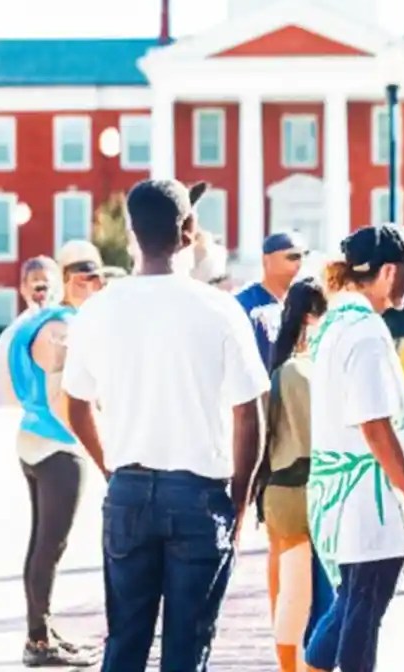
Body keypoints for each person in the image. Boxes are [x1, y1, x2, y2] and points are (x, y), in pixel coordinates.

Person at [61, 179, 269, 670]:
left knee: (125, 642)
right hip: (199, 494)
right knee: (187, 647)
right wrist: (238, 503)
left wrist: (111, 468)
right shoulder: (220, 308)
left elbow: (75, 406)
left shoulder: (97, 310)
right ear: (188, 232)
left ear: (131, 233)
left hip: (129, 489)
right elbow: (248, 413)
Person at [307, 223, 404, 672]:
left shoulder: (333, 324)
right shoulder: (365, 333)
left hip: (338, 494)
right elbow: (375, 424)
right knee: (361, 620)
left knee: (347, 609)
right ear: (388, 272)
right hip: (369, 501)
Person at [0, 243, 106, 667]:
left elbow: (13, 389)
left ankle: (41, 631)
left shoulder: (26, 326)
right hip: (60, 446)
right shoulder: (62, 326)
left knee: (41, 543)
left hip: (31, 437)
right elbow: (73, 392)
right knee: (50, 546)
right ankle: (39, 643)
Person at [255, 277, 334, 672]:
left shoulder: (279, 369)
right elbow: (320, 439)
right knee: (305, 592)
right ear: (310, 316)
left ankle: (290, 665)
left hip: (279, 490)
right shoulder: (304, 372)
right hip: (306, 488)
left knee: (293, 588)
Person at [236, 231, 308, 366]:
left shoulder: (305, 301)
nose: (299, 262)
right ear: (266, 260)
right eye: (293, 256)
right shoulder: (243, 304)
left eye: (303, 256)